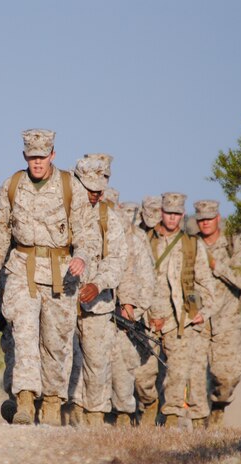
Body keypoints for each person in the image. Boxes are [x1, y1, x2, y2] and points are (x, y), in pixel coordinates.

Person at [0, 129, 95, 425]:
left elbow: (87, 233)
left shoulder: (72, 187)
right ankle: (25, 401)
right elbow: (0, 234)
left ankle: (53, 405)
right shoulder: (12, 186)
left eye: (42, 157)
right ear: (24, 156)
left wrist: (81, 256)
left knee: (55, 343)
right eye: (32, 157)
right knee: (24, 335)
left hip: (62, 275)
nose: (37, 163)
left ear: (53, 155)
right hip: (22, 269)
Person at [147, 193, 216, 428]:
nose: (173, 218)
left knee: (177, 372)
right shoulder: (146, 239)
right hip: (146, 317)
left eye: (177, 213)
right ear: (161, 212)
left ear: (183, 215)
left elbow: (207, 284)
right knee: (143, 377)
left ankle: (172, 418)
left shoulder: (191, 244)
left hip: (179, 320)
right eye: (169, 213)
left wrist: (202, 312)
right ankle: (148, 412)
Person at [67, 156, 126, 426]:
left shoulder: (109, 220)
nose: (94, 194)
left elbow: (117, 261)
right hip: (61, 300)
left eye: (98, 190)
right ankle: (66, 415)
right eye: (88, 188)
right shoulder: (62, 212)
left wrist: (97, 284)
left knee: (95, 363)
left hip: (97, 306)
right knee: (64, 358)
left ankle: (93, 419)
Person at [195, 200, 241, 428]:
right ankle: (200, 427)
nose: (205, 223)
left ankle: (217, 408)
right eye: (201, 219)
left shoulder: (232, 245)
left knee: (227, 377)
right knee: (194, 378)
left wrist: (216, 265)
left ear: (218, 218)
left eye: (209, 218)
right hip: (198, 321)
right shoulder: (192, 244)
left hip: (227, 321)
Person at [109, 200, 157, 427]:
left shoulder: (135, 241)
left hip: (125, 318)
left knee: (124, 368)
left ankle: (123, 416)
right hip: (98, 312)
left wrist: (132, 311)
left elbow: (147, 282)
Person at [134, 194, 168, 425]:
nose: (153, 216)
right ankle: (147, 409)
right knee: (142, 374)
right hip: (138, 313)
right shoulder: (134, 236)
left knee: (165, 375)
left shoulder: (175, 242)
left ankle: (159, 420)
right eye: (149, 210)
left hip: (168, 316)